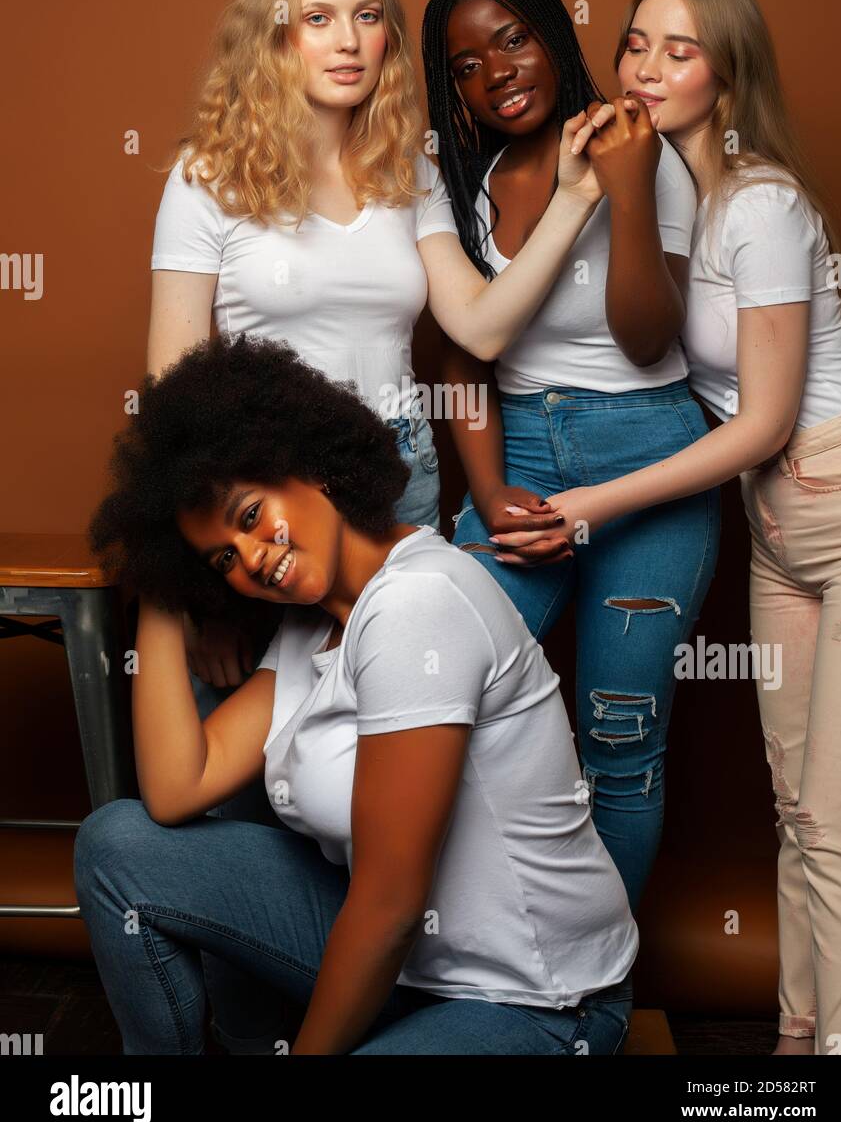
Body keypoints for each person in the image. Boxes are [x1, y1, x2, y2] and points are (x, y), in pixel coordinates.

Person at [145, 0, 605, 1046]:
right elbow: (169, 397)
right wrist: (196, 581)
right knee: (242, 801)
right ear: (274, 36)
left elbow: (476, 323)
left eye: (365, 16)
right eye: (315, 18)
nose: (345, 41)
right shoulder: (204, 176)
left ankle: (393, 1013)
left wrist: (579, 203)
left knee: (372, 804)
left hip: (389, 496)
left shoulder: (402, 166)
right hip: (254, 519)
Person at [491, 0, 841, 1057]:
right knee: (797, 818)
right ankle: (797, 1050)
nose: (646, 70)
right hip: (779, 530)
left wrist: (584, 506)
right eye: (634, 45)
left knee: (837, 829)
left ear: (728, 72)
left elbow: (757, 424)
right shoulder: (686, 196)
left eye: (679, 51)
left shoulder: (759, 204)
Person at [77, 333, 638, 1056]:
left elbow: (390, 905)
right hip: (415, 973)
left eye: (249, 517)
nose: (250, 558)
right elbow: (178, 788)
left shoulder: (416, 605)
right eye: (222, 558)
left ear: (310, 466)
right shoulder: (312, 629)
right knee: (116, 845)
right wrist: (161, 580)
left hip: (537, 1002)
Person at [421, 0, 720, 914]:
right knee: (436, 696)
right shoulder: (466, 183)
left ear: (553, 31)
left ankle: (599, 995)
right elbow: (466, 358)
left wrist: (626, 186)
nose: (497, 70)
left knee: (620, 737)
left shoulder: (646, 151)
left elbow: (645, 336)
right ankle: (487, 971)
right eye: (466, 63)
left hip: (654, 461)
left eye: (512, 38)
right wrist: (485, 486)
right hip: (523, 458)